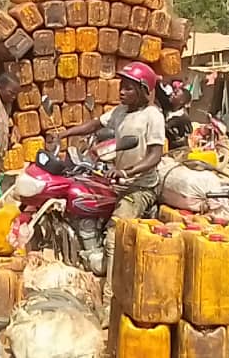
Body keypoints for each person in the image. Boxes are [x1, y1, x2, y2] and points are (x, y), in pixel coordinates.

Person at [51, 61, 165, 304]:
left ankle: (108, 302)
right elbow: (96, 124)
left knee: (115, 235)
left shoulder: (152, 116)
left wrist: (129, 172)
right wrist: (65, 134)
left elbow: (155, 155)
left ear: (144, 90)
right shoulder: (121, 112)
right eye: (121, 86)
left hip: (139, 186)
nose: (122, 91)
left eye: (129, 88)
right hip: (116, 179)